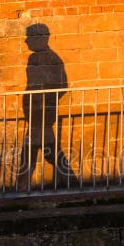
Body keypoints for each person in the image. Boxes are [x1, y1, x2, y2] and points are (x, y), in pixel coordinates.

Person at [17, 23, 77, 187]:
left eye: (29, 38)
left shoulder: (51, 59)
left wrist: (46, 101)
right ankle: (71, 181)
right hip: (36, 113)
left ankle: (20, 188)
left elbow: (62, 85)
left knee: (33, 151)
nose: (26, 41)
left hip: (42, 113)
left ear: (41, 38)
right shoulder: (34, 58)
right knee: (45, 151)